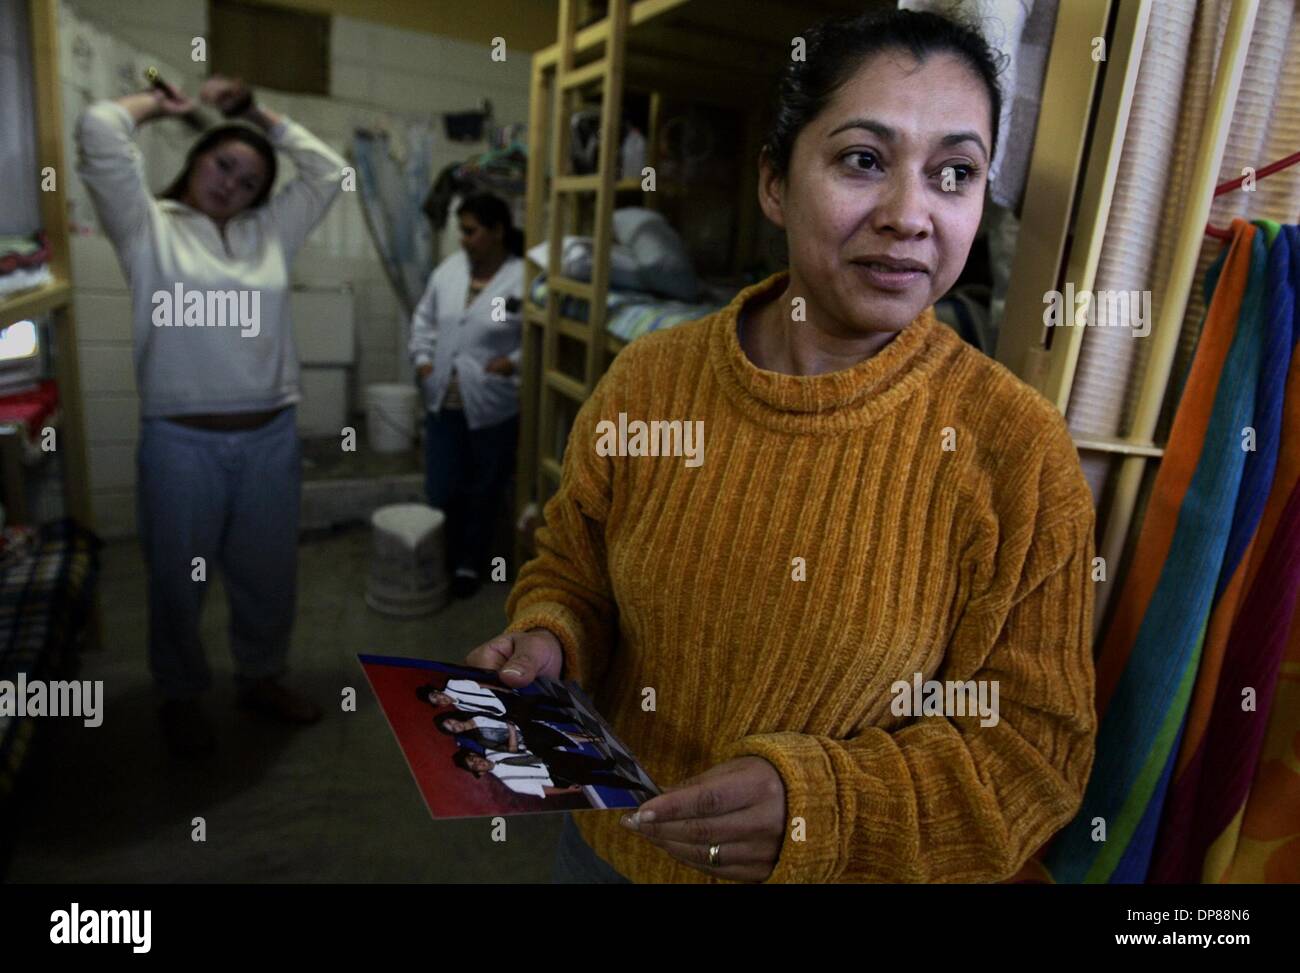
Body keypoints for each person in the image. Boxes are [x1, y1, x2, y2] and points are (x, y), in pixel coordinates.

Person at [466, 9, 1097, 884]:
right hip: (608, 850)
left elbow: (1035, 750)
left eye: (955, 173)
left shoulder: (1016, 452)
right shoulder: (649, 384)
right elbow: (574, 569)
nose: (909, 215)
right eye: (863, 160)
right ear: (774, 182)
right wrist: (550, 636)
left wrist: (823, 808)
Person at [76, 75, 345, 756]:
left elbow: (330, 171)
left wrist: (257, 111)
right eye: (224, 163)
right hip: (180, 445)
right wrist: (160, 105)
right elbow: (100, 130)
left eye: (251, 180)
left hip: (269, 440)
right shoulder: (146, 227)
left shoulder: (269, 233)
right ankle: (181, 693)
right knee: (176, 579)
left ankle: (259, 677)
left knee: (266, 576)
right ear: (196, 159)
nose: (232, 184)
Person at [408, 193, 525, 598]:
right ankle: (443, 556)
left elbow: (539, 339)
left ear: (497, 232)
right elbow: (423, 321)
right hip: (444, 402)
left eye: (472, 231)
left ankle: (467, 566)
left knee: (483, 491)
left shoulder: (524, 278)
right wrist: (424, 361)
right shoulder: (448, 272)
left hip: (492, 406)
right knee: (442, 489)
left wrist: (513, 361)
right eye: (462, 230)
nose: (463, 239)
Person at [453, 747, 652, 798]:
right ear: (479, 773)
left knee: (582, 761)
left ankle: (606, 763)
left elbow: (517, 749)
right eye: (475, 766)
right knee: (597, 779)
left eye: (474, 758)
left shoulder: (493, 753)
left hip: (547, 759)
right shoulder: (510, 782)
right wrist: (568, 791)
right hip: (553, 776)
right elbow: (543, 790)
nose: (478, 762)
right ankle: (636, 785)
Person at [415, 678, 578, 724]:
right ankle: (572, 719)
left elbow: (480, 685)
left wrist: (503, 690)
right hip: (504, 712)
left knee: (536, 700)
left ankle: (568, 704)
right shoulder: (459, 707)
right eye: (437, 702)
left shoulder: (453, 684)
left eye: (436, 696)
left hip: (501, 698)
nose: (441, 700)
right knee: (540, 715)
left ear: (437, 691)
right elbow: (482, 711)